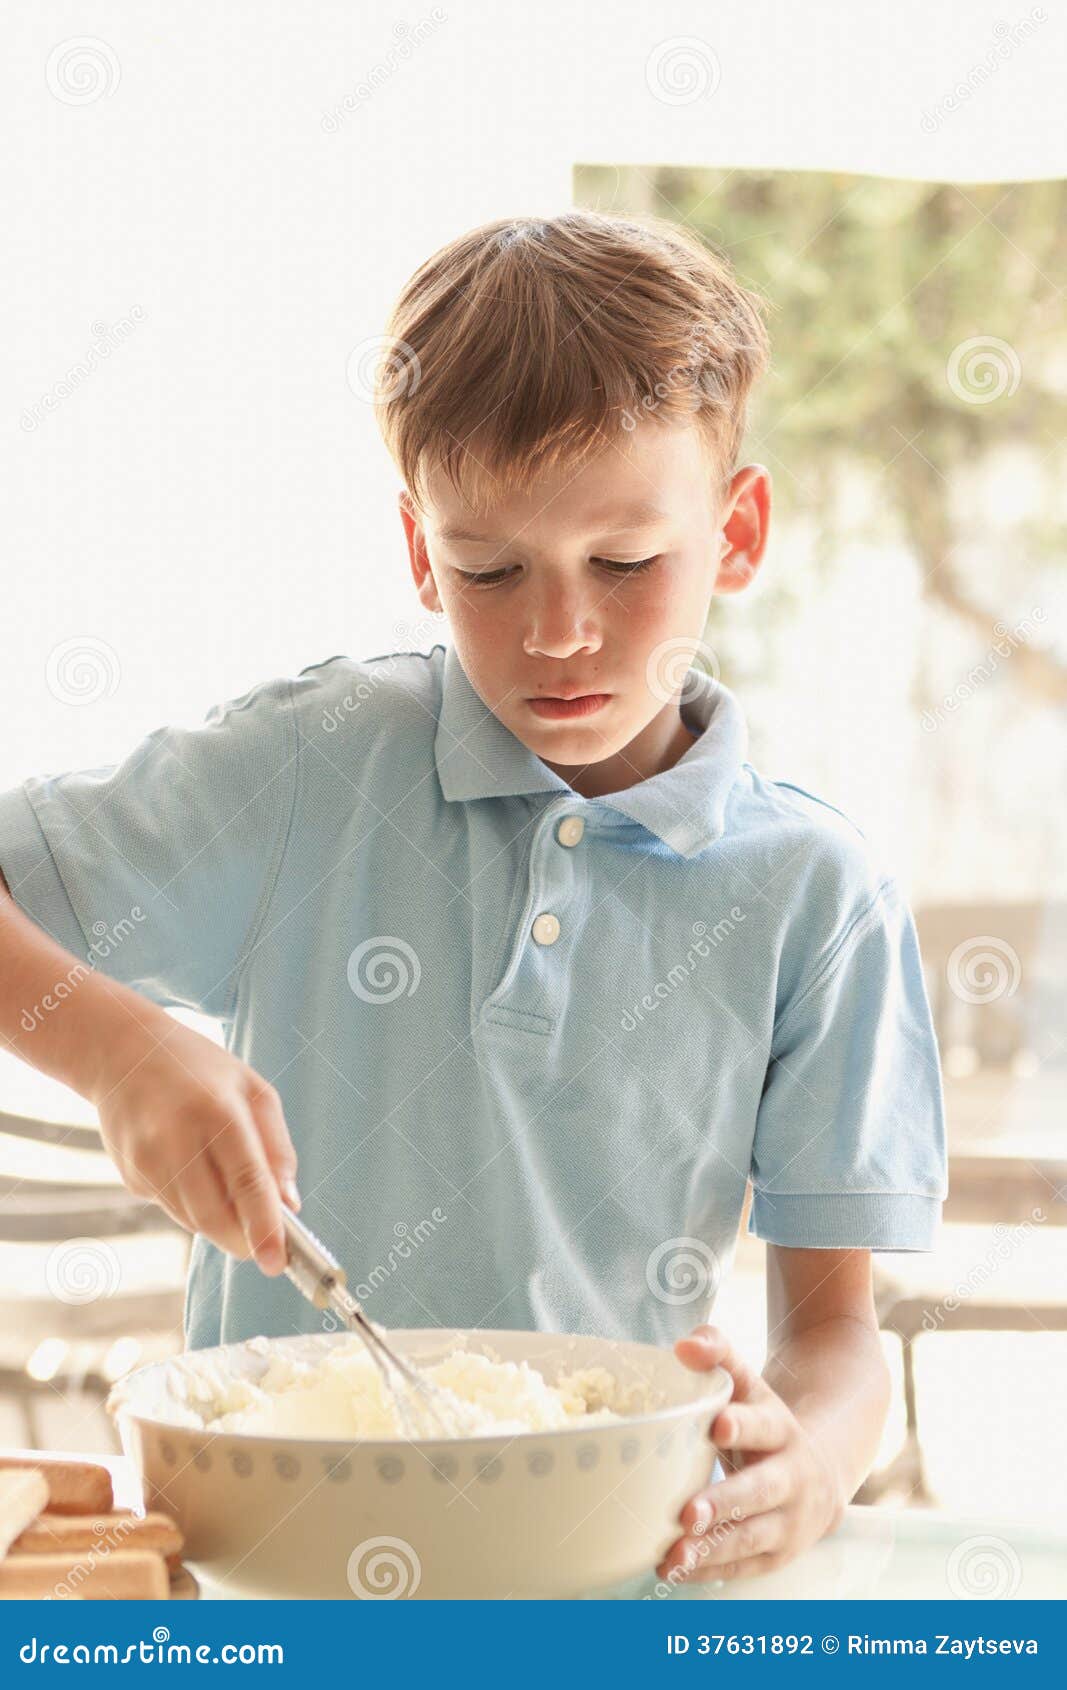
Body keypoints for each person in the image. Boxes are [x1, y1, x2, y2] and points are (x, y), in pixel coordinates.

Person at [0, 210, 946, 1585]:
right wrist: (112, 1044)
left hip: (609, 1577)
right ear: (415, 548)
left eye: (625, 563)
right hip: (277, 1580)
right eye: (487, 570)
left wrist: (813, 1458)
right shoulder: (306, 770)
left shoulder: (818, 894)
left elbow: (837, 1333)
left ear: (737, 532)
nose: (557, 631)